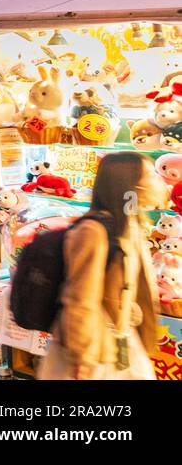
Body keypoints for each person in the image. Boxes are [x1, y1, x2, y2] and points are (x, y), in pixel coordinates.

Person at [39, 152, 165, 380]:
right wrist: (82, 359)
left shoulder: (130, 226)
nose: (158, 181)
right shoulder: (93, 232)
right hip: (95, 350)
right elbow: (80, 299)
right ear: (130, 183)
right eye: (150, 175)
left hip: (122, 341)